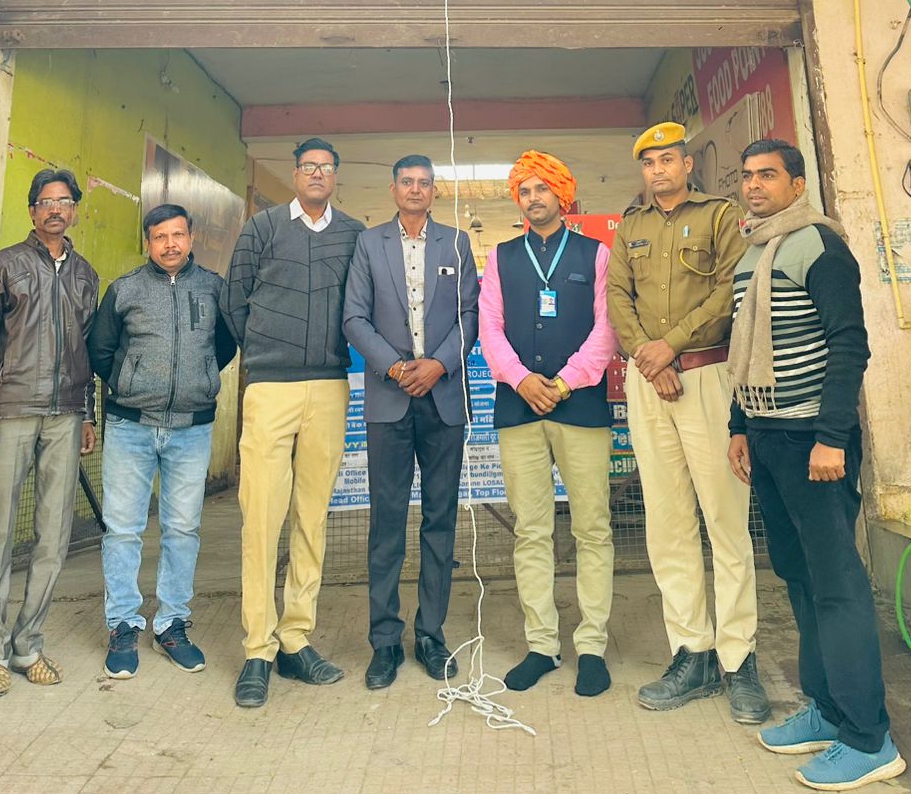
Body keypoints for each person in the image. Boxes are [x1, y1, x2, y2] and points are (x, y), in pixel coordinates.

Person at [728, 138, 905, 790]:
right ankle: (827, 711)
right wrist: (738, 425)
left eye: (768, 175)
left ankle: (869, 738)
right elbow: (744, 350)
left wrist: (833, 436)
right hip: (768, 436)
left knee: (836, 584)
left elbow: (848, 344)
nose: (754, 185)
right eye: (747, 176)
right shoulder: (752, 250)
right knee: (797, 575)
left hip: (813, 440)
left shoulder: (819, 246)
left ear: (796, 184)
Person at [607, 122, 769, 723]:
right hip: (652, 385)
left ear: (687, 164)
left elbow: (732, 291)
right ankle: (692, 653)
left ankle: (739, 659)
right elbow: (616, 300)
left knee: (725, 520)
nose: (658, 170)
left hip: (706, 376)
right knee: (668, 523)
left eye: (667, 159)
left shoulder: (722, 217)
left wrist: (670, 345)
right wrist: (651, 358)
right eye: (648, 162)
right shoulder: (633, 226)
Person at [226, 138, 364, 710]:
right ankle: (257, 648)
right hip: (271, 386)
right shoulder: (262, 228)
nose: (316, 175)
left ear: (335, 177)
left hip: (330, 386)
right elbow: (235, 301)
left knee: (312, 517)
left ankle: (295, 640)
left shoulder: (354, 233)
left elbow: (361, 302)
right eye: (308, 167)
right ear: (296, 174)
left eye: (326, 169)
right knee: (260, 516)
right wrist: (265, 350)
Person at [478, 151, 618, 698]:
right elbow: (489, 328)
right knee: (531, 531)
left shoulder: (596, 253)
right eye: (525, 191)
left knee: (592, 529)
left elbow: (607, 330)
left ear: (563, 194)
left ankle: (592, 647)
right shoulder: (501, 256)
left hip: (580, 407)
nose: (534, 198)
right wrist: (519, 379)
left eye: (543, 189)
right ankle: (542, 645)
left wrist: (563, 382)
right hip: (517, 407)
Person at [342, 155, 479, 689]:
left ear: (435, 191)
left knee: (440, 521)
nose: (416, 190)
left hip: (443, 397)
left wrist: (440, 364)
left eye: (425, 183)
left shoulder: (457, 244)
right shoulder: (369, 244)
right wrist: (398, 368)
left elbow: (472, 314)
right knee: (387, 523)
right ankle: (383, 641)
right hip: (390, 397)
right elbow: (354, 316)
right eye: (407, 182)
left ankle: (431, 634)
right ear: (393, 188)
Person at [0, 167, 99, 696]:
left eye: (64, 201)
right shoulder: (3, 267)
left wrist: (86, 412)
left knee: (54, 534)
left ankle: (28, 645)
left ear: (74, 210)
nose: (55, 209)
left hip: (65, 415)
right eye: (46, 201)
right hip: (10, 412)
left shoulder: (86, 275)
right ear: (32, 211)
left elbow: (87, 354)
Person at [88, 203, 237, 679]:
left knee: (182, 529)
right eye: (160, 236)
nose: (170, 244)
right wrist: (130, 384)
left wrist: (201, 377)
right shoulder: (124, 289)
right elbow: (101, 349)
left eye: (178, 235)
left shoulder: (215, 289)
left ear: (191, 237)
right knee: (123, 529)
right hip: (130, 426)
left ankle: (172, 624)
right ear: (147, 242)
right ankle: (123, 625)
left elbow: (226, 344)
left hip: (192, 428)